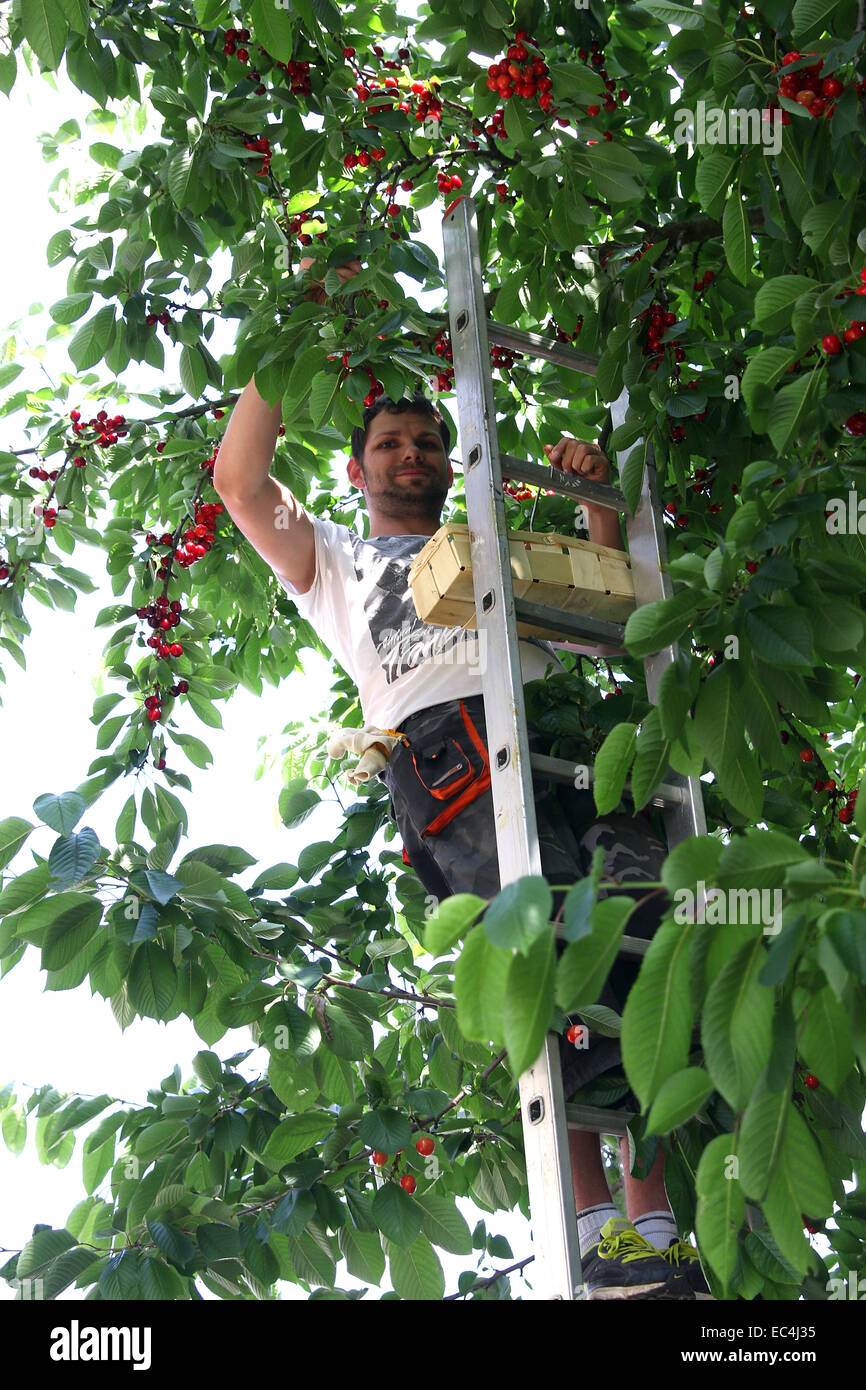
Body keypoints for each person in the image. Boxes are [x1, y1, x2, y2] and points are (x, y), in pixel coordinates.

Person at [212, 255, 709, 1301]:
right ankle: (587, 1224)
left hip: (557, 735)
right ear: (355, 472)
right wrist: (294, 317)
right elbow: (240, 484)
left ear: (452, 460)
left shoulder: (484, 545)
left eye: (427, 440)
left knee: (642, 945)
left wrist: (587, 500)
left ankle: (650, 1225)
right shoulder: (336, 563)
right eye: (387, 443)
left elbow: (602, 605)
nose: (408, 452)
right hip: (449, 763)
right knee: (539, 965)